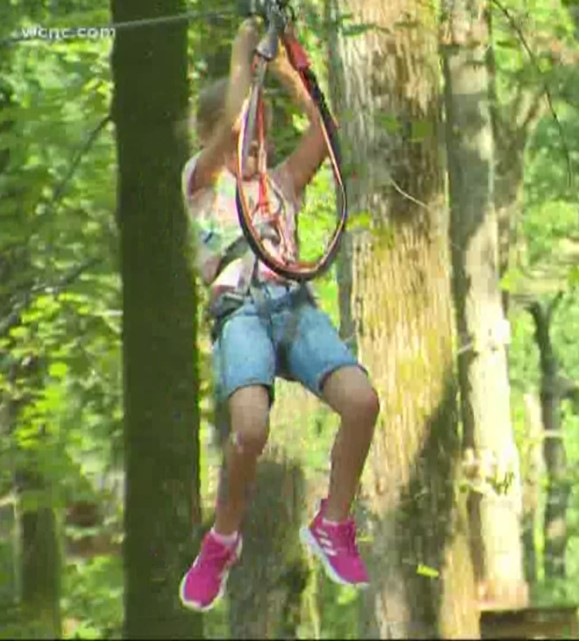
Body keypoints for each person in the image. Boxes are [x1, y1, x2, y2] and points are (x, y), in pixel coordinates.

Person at [178, 18, 379, 612]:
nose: (256, 144)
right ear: (215, 135)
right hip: (240, 314)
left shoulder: (282, 183)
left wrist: (292, 72)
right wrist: (247, 55)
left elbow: (327, 133)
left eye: (260, 136)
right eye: (244, 134)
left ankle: (332, 523)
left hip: (290, 307)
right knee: (249, 429)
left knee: (362, 402)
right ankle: (223, 539)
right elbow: (230, 127)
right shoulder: (201, 181)